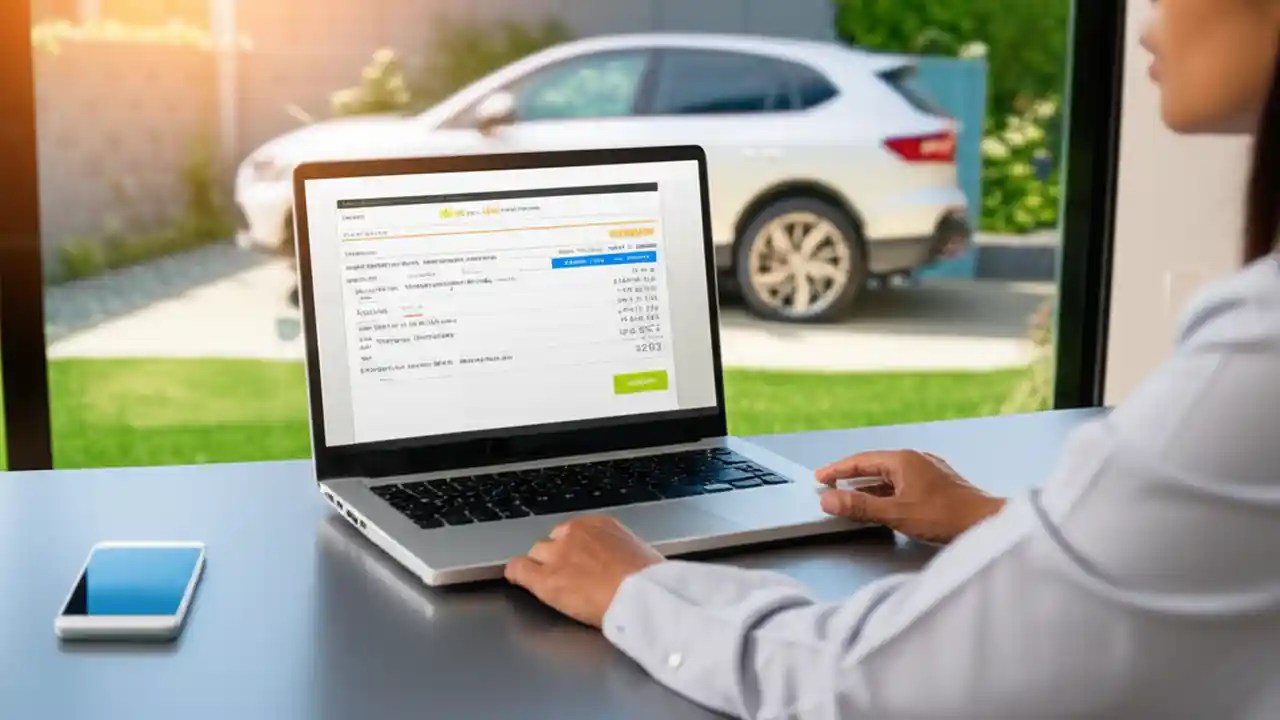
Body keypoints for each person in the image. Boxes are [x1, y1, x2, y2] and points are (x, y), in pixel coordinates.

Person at [504, 0, 1280, 716]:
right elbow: (1221, 555)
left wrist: (639, 591)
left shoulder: (1259, 353)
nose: (1147, 15)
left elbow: (871, 686)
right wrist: (993, 520)